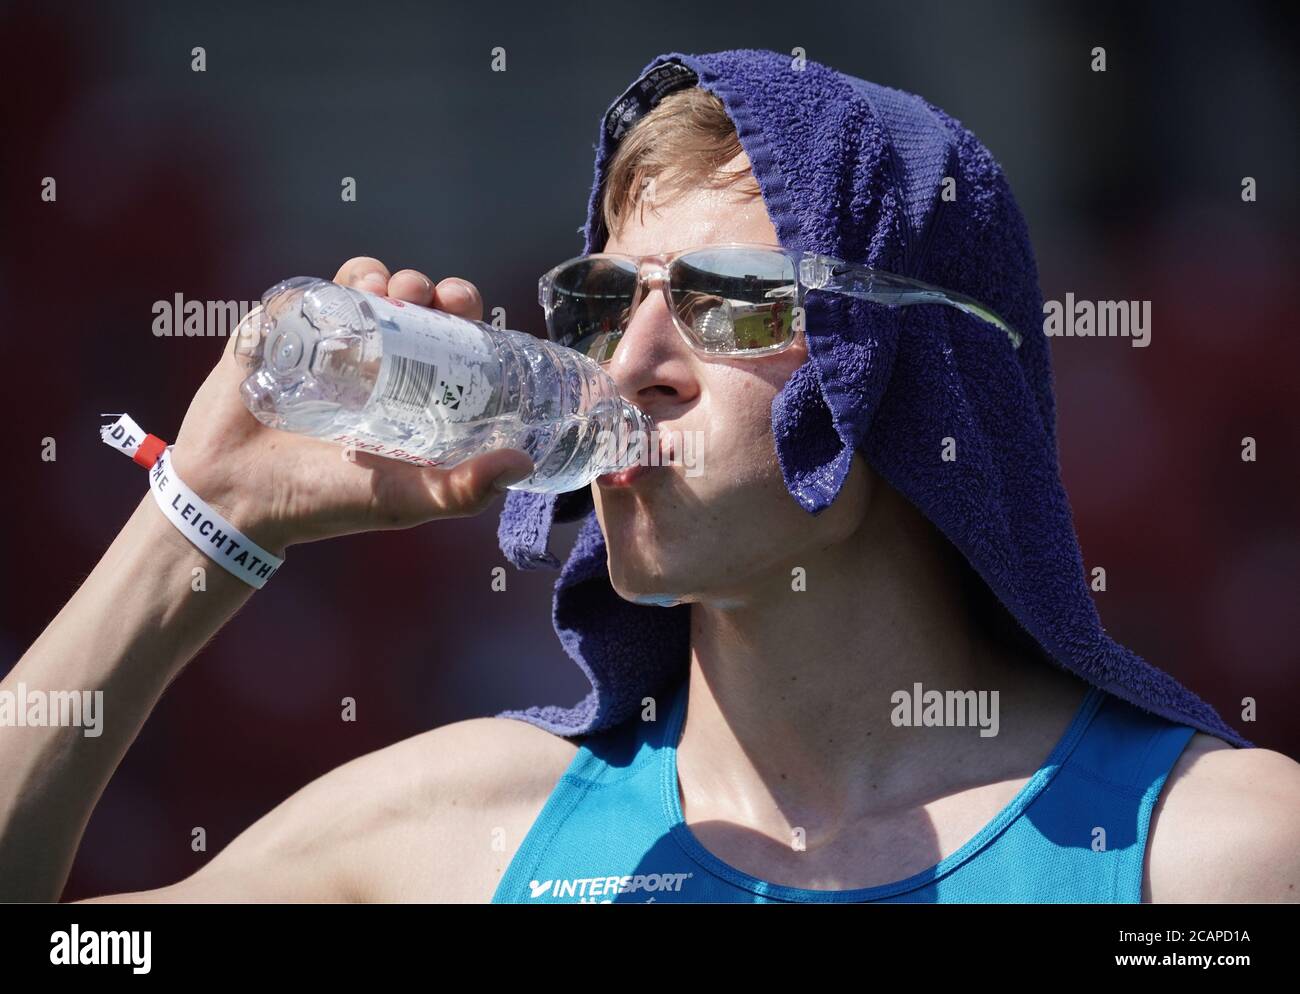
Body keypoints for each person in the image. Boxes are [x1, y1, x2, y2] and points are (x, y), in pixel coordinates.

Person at [3, 50, 1297, 905]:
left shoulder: (1208, 857)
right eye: (599, 301)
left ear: (913, 366)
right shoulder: (460, 833)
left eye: (728, 305)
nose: (628, 365)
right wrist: (198, 524)